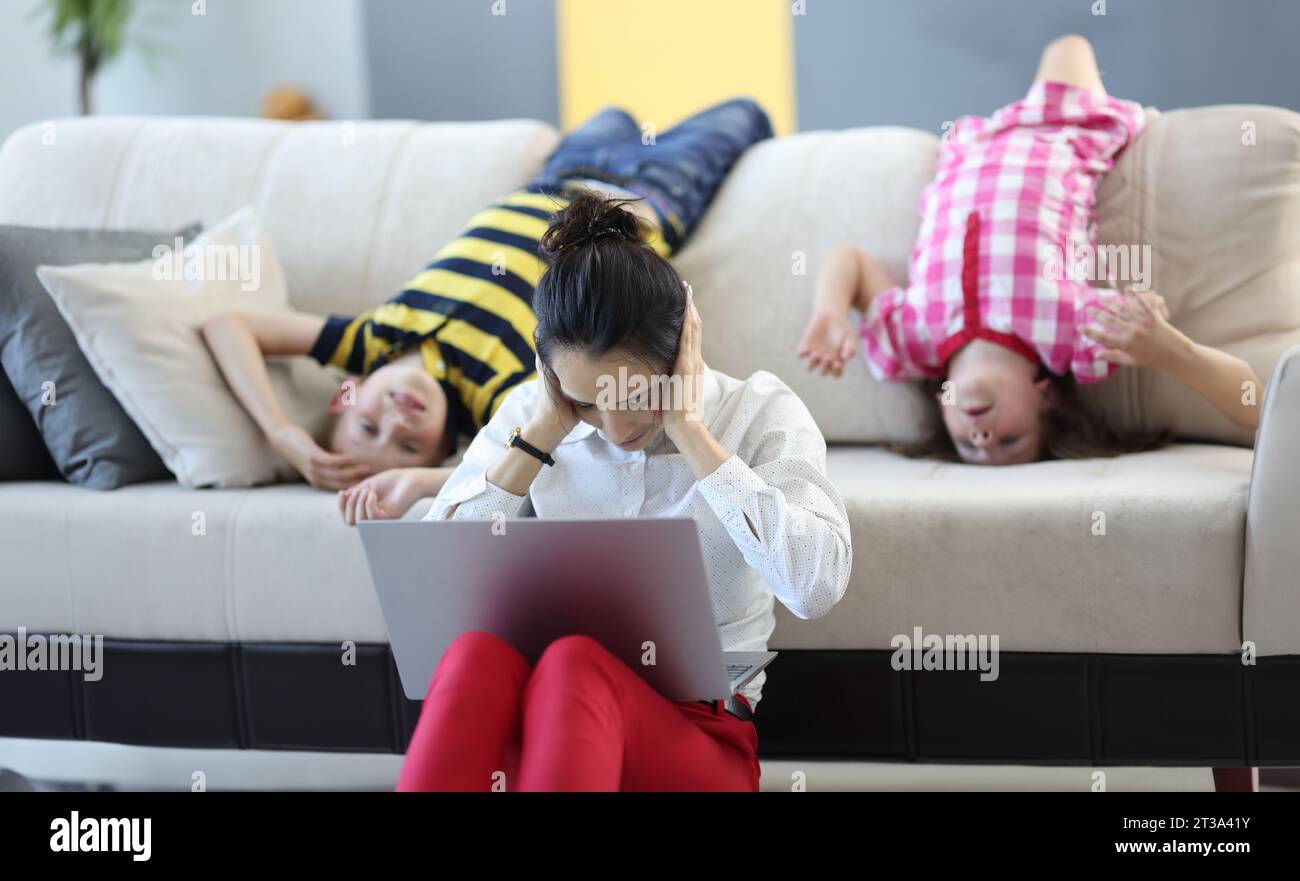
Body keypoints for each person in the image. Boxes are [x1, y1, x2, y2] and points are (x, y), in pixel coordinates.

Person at [397, 192, 853, 791]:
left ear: (681, 353)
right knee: (473, 657)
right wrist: (543, 434)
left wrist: (691, 433)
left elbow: (815, 586)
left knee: (575, 662)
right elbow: (437, 589)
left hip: (697, 733)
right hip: (546, 729)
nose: (614, 429)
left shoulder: (759, 411)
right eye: (586, 402)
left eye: (633, 397)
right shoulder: (532, 415)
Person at [201, 98, 773, 515]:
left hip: (557, 179)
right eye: (407, 444)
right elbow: (511, 465)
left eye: (368, 423)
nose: (398, 420)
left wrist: (283, 435)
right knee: (744, 113)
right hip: (654, 197)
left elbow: (228, 324)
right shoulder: (498, 390)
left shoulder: (373, 336)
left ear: (347, 388)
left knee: (616, 113)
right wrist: (423, 481)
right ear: (442, 442)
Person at [795, 35, 1261, 464]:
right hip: (1061, 131)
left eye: (967, 446)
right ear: (1046, 397)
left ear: (944, 406)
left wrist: (830, 310)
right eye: (1010, 441)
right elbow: (1256, 406)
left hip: (968, 149)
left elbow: (848, 260)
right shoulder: (1072, 336)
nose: (983, 438)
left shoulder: (912, 343)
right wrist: (1171, 351)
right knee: (1069, 47)